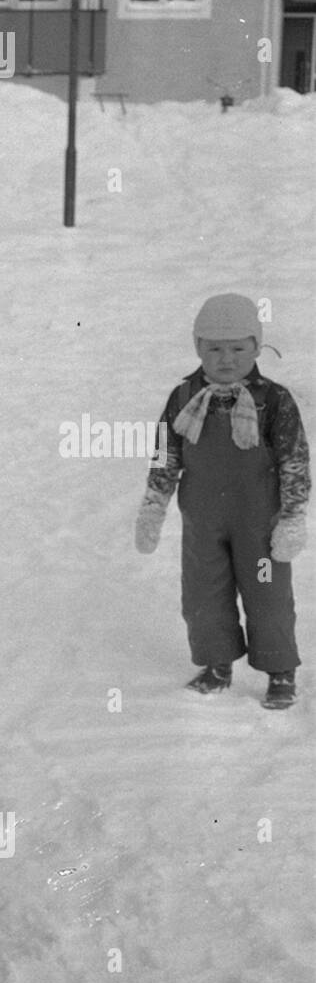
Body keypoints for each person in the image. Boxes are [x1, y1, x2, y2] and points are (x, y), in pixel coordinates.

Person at [135, 294, 308, 709]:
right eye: (213, 348)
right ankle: (217, 664)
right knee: (202, 595)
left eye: (237, 349)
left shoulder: (275, 402)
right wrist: (154, 504)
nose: (225, 359)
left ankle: (280, 670)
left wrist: (293, 517)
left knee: (267, 594)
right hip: (203, 522)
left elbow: (295, 461)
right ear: (198, 347)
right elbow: (165, 454)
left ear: (256, 347)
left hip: (260, 526)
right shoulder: (183, 397)